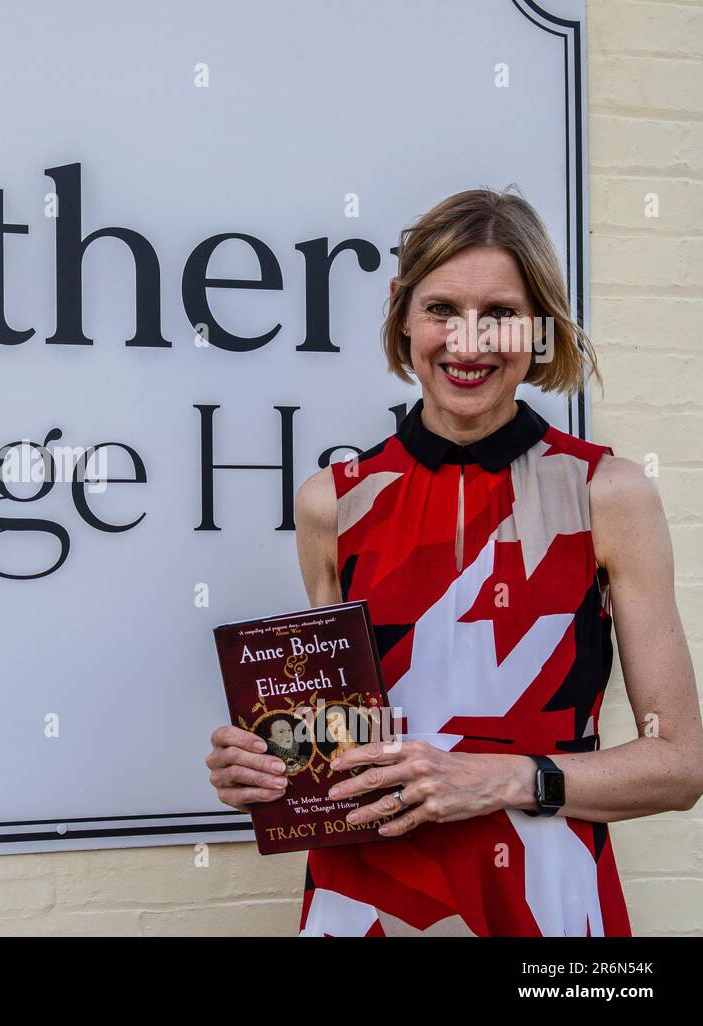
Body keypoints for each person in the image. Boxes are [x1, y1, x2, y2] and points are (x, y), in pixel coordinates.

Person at [204, 187, 703, 936]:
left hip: (544, 895)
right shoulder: (330, 504)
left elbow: (679, 763)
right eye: (442, 309)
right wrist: (269, 769)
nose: (467, 344)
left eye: (499, 313)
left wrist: (500, 778)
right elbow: (342, 738)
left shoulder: (608, 491)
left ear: (537, 326)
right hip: (364, 898)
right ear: (402, 313)